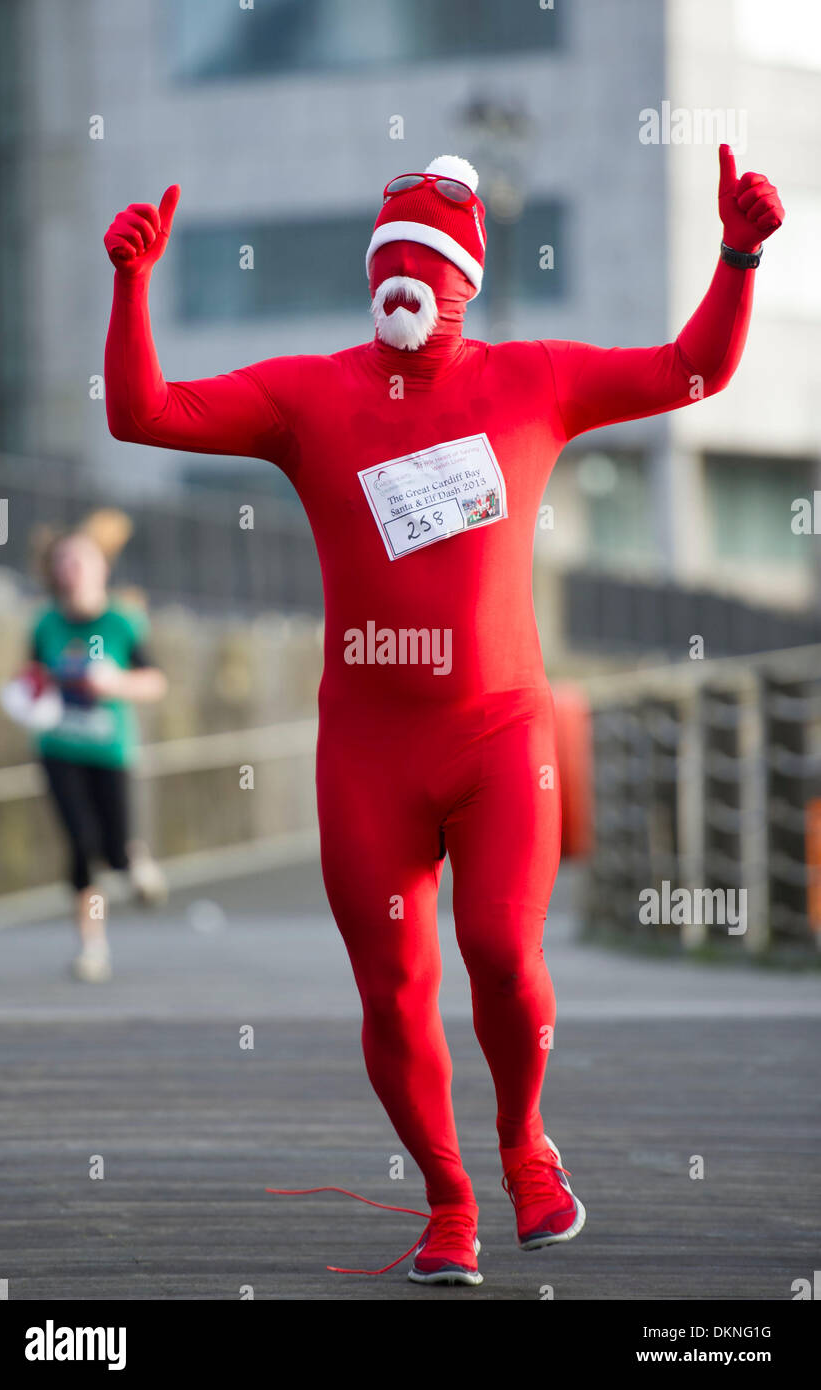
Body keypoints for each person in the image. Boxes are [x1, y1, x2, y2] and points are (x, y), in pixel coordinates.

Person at [102, 147, 783, 1284]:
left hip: (500, 731)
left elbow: (690, 371)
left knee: (500, 951)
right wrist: (133, 287)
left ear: (469, 274)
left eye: (431, 258)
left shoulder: (533, 377)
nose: (407, 277)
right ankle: (450, 1196)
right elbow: (141, 412)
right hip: (367, 752)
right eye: (390, 258)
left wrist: (739, 254)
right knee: (395, 989)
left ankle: (524, 1145)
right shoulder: (311, 393)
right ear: (371, 274)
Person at [25, 510, 168, 982]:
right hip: (59, 749)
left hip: (110, 750)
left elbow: (155, 682)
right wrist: (26, 694)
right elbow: (28, 679)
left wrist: (115, 683)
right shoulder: (45, 624)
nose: (73, 569)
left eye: (82, 560)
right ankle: (93, 948)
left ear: (101, 566)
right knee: (81, 844)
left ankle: (134, 857)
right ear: (54, 572)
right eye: (63, 562)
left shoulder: (122, 622)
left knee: (114, 854)